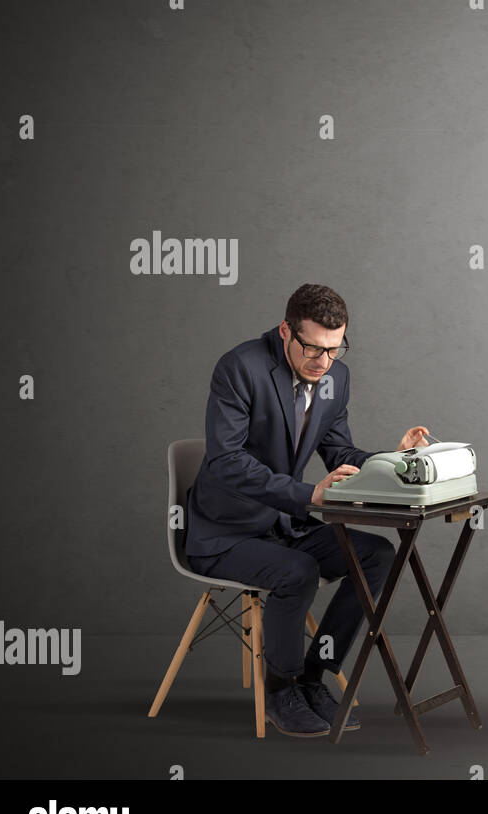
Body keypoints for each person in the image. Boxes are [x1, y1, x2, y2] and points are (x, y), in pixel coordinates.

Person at [184, 283, 432, 736]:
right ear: (285, 331)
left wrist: (392, 460)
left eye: (334, 350)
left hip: (285, 525)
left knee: (375, 555)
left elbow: (340, 453)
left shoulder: (336, 377)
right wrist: (307, 495)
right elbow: (225, 462)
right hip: (225, 532)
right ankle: (280, 690)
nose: (323, 362)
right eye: (313, 349)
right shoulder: (241, 368)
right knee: (296, 571)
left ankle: (315, 674)